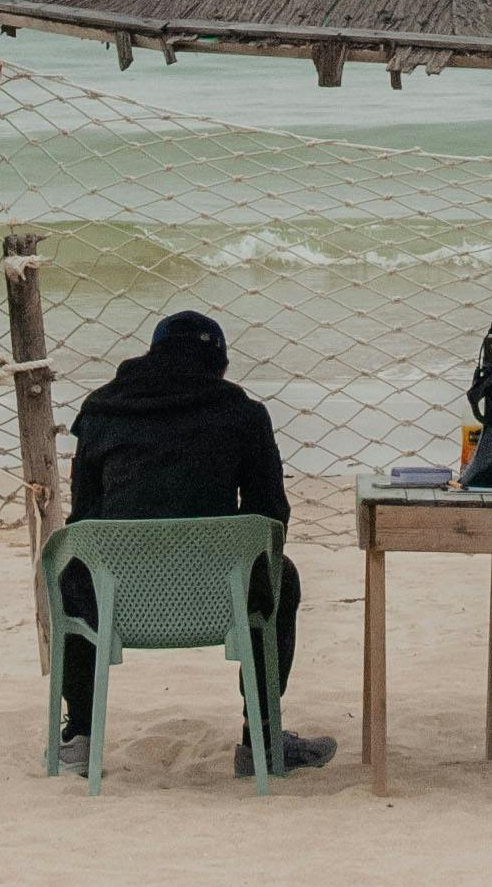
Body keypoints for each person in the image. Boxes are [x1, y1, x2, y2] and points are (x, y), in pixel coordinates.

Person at [58, 308, 334, 770]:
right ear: (218, 364)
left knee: (71, 571)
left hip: (114, 600)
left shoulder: (101, 411)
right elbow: (271, 516)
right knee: (281, 576)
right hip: (219, 596)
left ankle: (81, 734)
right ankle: (261, 742)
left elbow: (84, 518)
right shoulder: (243, 414)